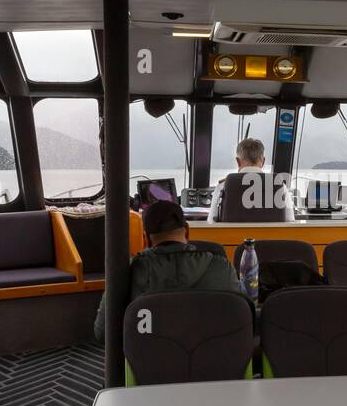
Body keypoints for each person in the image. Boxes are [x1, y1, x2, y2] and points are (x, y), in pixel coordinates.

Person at [93, 199, 242, 342]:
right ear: (187, 231)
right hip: (213, 358)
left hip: (149, 359)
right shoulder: (222, 267)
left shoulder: (128, 273)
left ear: (146, 239)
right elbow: (243, 320)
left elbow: (103, 333)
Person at [208, 138, 295, 222]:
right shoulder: (280, 186)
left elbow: (211, 222)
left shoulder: (222, 187)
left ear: (238, 161)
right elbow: (290, 221)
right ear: (263, 161)